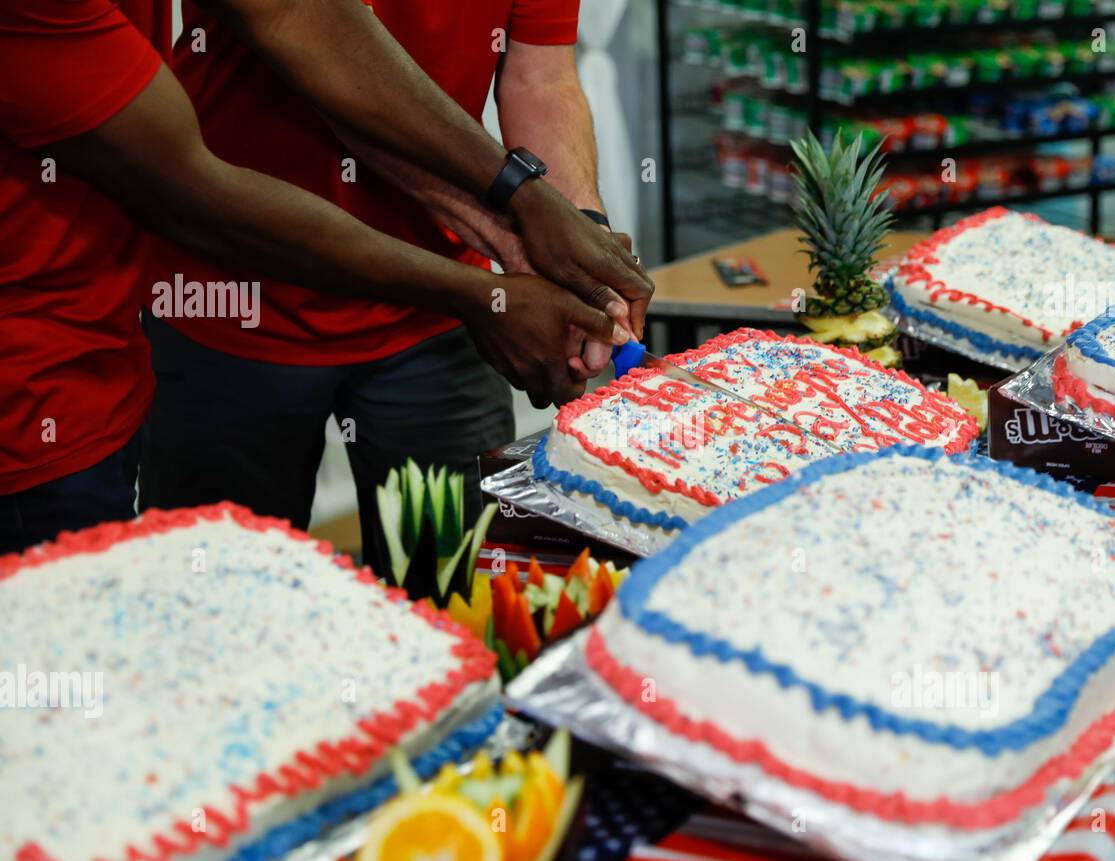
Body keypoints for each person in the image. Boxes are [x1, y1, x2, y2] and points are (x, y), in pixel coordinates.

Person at [0, 0, 651, 556]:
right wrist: (514, 232)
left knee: (449, 595)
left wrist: (574, 234)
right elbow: (229, 155)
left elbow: (537, 73)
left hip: (438, 322)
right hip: (223, 309)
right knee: (223, 615)